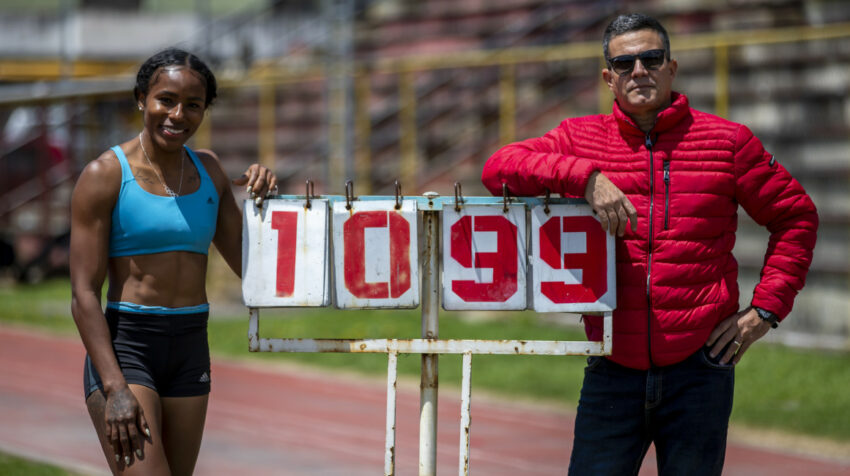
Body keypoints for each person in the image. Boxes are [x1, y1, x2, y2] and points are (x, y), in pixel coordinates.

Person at [481, 13, 818, 476]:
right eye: (624, 63)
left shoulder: (727, 142)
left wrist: (765, 311)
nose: (638, 71)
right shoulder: (578, 139)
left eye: (651, 58)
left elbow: (796, 216)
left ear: (672, 67)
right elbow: (499, 168)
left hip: (701, 368)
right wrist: (585, 178)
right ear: (608, 77)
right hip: (612, 366)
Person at [70, 48, 277, 475]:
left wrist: (265, 198)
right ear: (142, 98)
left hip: (190, 346)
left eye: (193, 105)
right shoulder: (105, 174)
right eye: (166, 99)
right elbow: (83, 294)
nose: (177, 114)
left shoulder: (211, 171)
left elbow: (253, 267)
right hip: (129, 346)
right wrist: (115, 386)